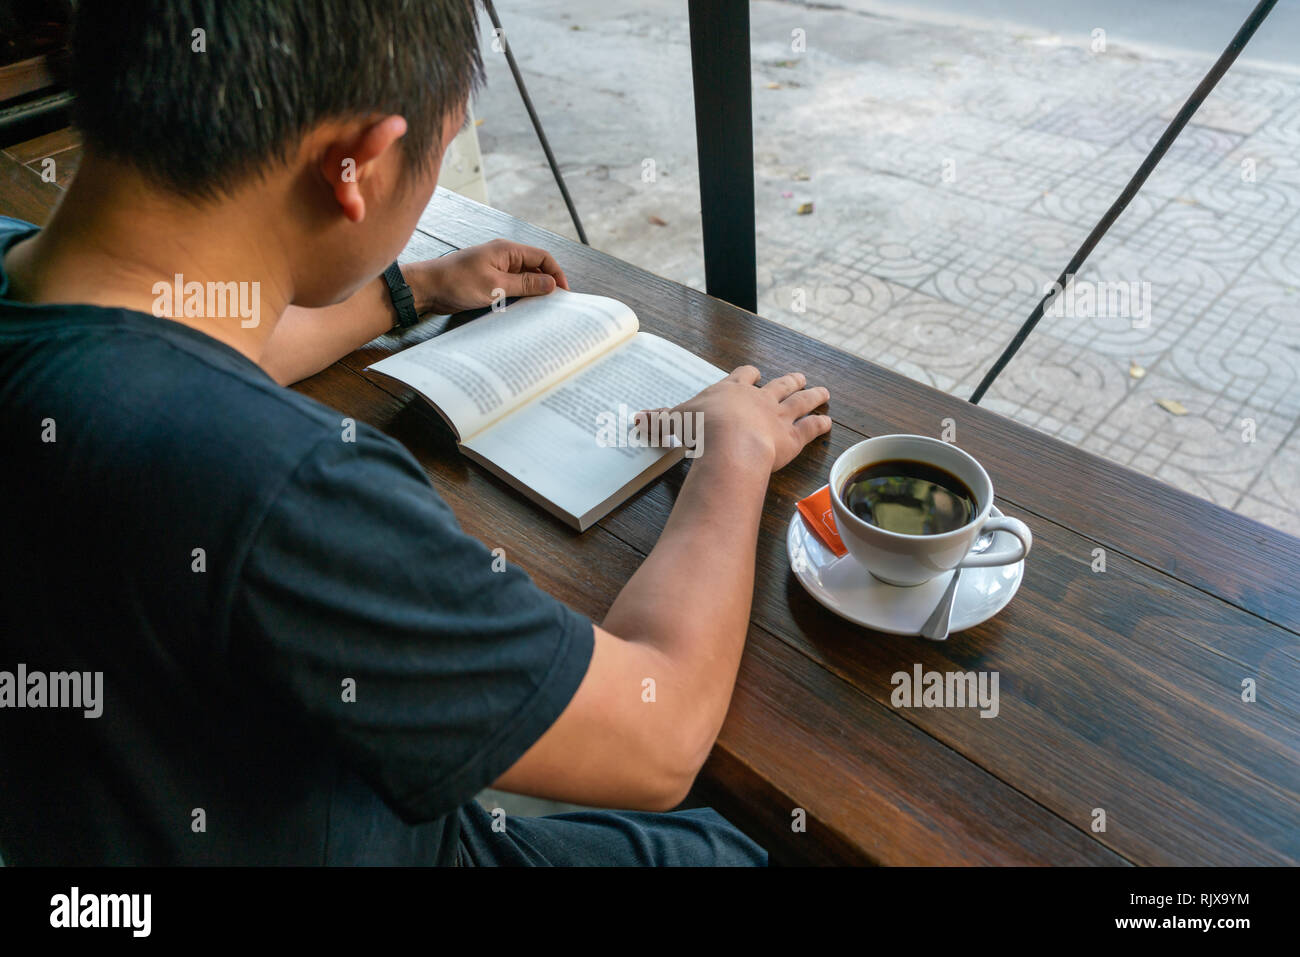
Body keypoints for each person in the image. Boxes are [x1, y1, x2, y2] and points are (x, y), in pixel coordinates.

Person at [0, 0, 831, 866]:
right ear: (356, 166)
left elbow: (182, 345)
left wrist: (411, 290)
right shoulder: (287, 488)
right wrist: (732, 448)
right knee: (735, 847)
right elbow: (660, 735)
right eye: (439, 150)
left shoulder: (32, 273)